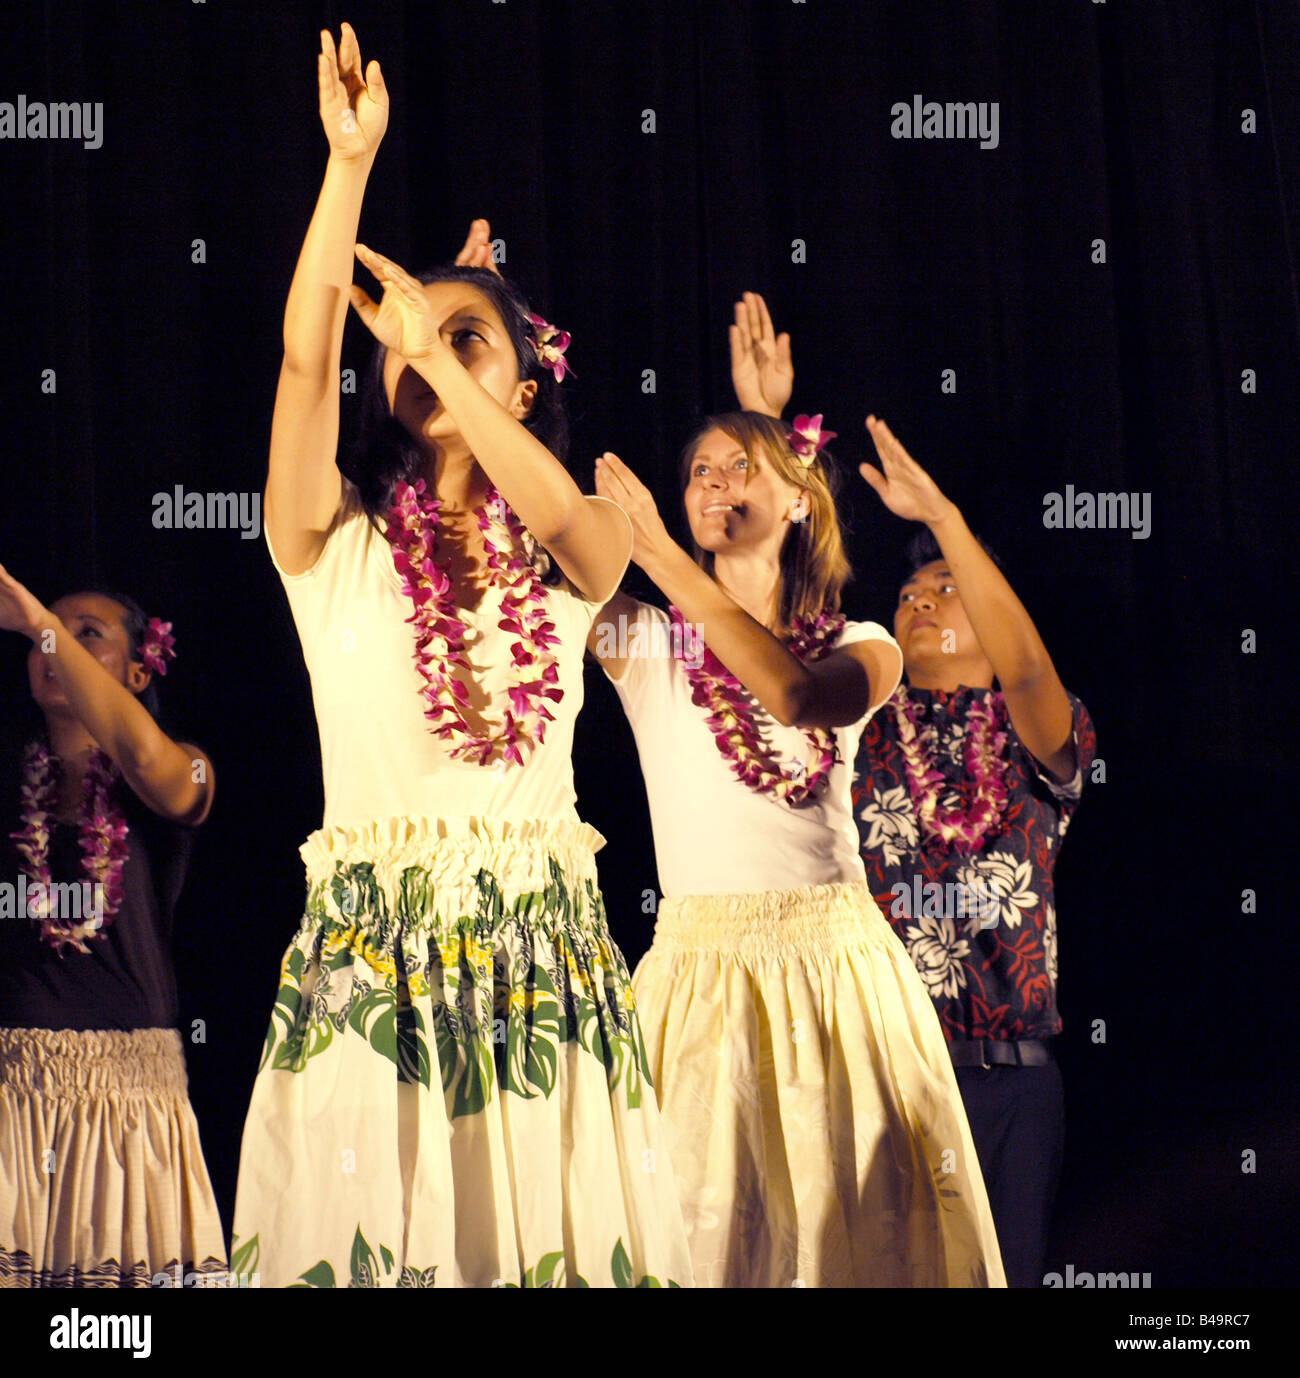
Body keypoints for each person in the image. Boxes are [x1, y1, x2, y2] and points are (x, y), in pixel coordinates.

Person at [230, 23, 690, 1289]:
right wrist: (347, 166)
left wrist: (443, 342)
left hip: (540, 957)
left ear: (527, 385)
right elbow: (306, 352)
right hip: (374, 956)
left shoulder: (561, 546)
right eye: (409, 339)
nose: (420, 343)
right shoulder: (330, 540)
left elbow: (589, 548)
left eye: (469, 337)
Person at [586, 293, 1005, 1287]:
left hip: (831, 969)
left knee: (847, 1245)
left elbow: (788, 690)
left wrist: (666, 545)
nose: (712, 483)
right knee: (701, 1248)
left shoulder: (867, 645)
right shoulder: (643, 641)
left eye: (743, 469)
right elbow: (526, 535)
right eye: (697, 470)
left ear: (799, 500)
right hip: (697, 979)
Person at [851, 416, 1097, 1287]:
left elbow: (1030, 671)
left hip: (1010, 1090)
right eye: (909, 592)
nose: (919, 601)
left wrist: (946, 520)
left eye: (946, 588)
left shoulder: (1033, 729)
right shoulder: (854, 732)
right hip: (883, 1073)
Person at [0, 570, 226, 1287]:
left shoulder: (181, 766)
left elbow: (145, 758)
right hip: (13, 1097)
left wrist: (38, 620)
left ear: (138, 668)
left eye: (82, 635)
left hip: (131, 1105)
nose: (54, 646)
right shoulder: (7, 774)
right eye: (47, 635)